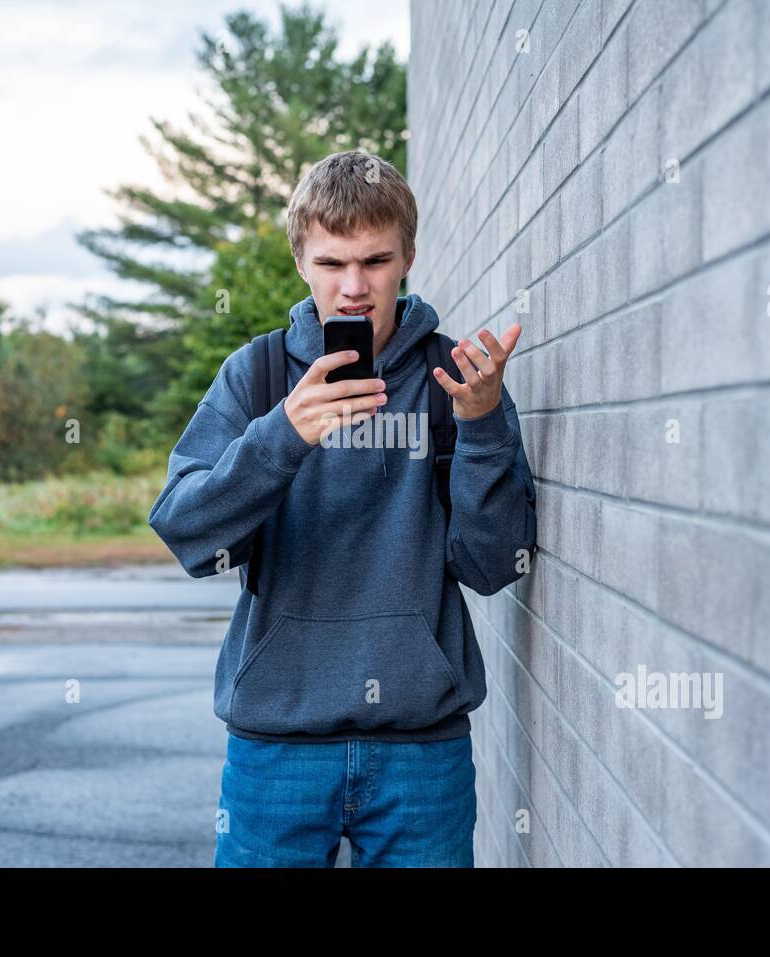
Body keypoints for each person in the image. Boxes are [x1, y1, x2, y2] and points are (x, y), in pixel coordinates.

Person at [148, 149, 538, 867]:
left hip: (423, 751)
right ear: (301, 260)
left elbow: (492, 565)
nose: (354, 287)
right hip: (276, 750)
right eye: (332, 264)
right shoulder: (259, 376)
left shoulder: (456, 380)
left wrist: (483, 426)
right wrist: (282, 436)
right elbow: (186, 533)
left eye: (376, 261)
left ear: (409, 256)